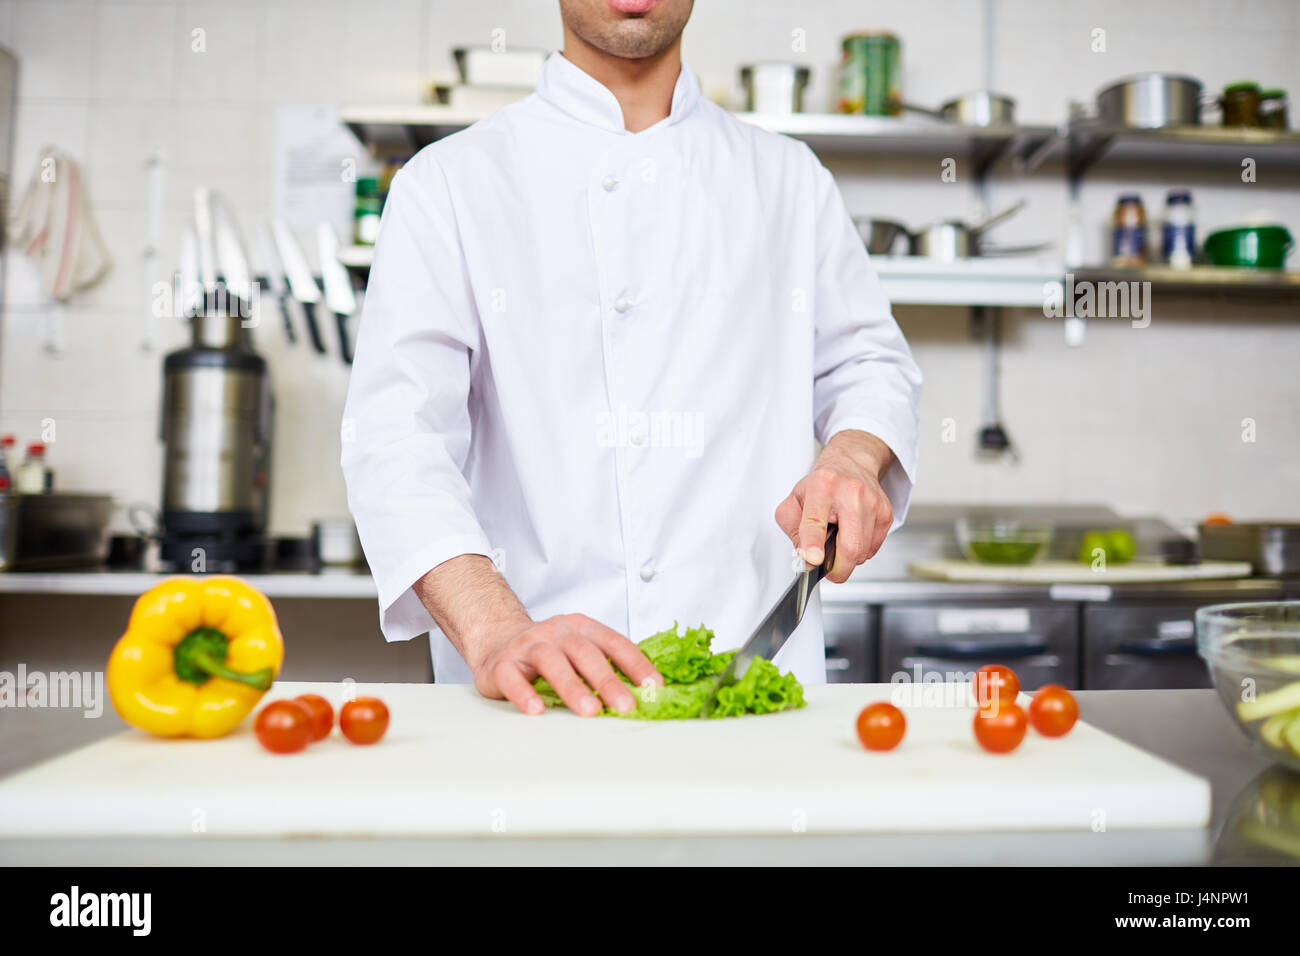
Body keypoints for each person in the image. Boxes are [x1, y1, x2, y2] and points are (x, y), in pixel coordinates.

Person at [341, 0, 922, 716]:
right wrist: (495, 634)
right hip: (528, 703)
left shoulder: (789, 180)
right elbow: (397, 438)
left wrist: (853, 460)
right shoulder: (448, 185)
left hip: (754, 696)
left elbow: (870, 364)